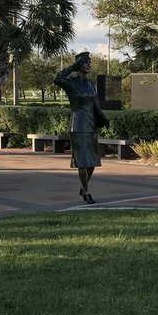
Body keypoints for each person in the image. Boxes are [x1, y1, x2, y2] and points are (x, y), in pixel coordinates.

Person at [54, 52, 109, 204]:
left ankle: (84, 185)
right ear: (79, 65)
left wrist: (103, 119)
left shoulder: (91, 84)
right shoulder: (71, 83)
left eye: (89, 62)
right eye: (85, 62)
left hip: (91, 126)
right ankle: (86, 191)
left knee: (92, 162)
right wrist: (72, 67)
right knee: (83, 162)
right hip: (78, 126)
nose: (89, 65)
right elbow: (57, 78)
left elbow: (95, 105)